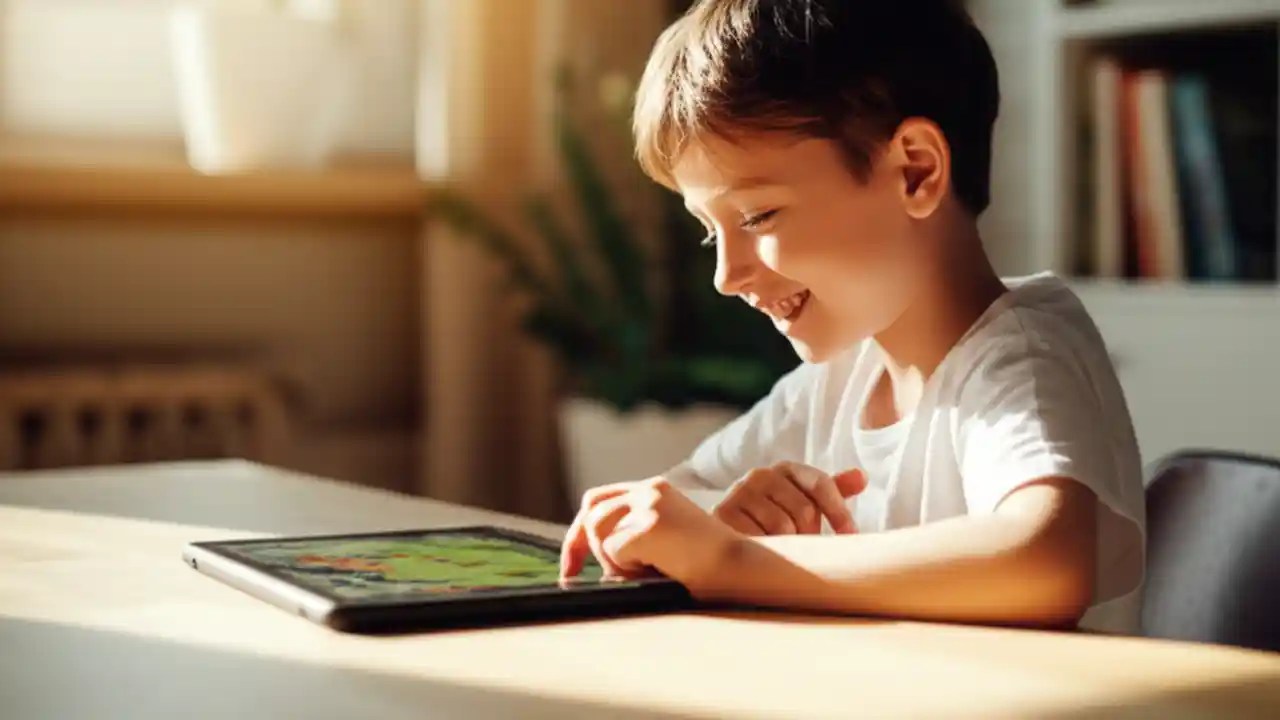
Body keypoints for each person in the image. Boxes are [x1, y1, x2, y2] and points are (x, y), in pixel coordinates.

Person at [560, 0, 1145, 633]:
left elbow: (1047, 563)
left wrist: (735, 558)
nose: (726, 277)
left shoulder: (1021, 359)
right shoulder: (842, 377)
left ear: (914, 171)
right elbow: (681, 494)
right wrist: (724, 516)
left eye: (757, 217)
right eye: (711, 233)